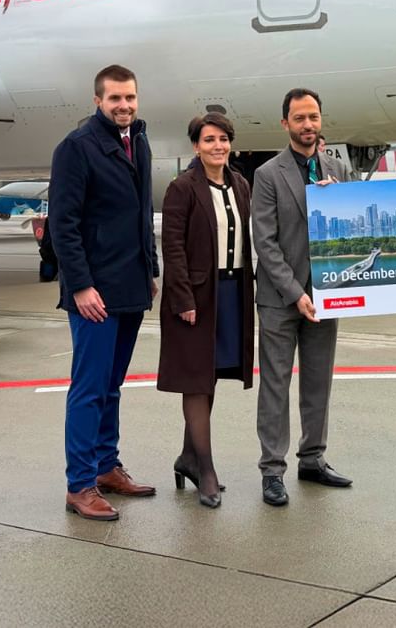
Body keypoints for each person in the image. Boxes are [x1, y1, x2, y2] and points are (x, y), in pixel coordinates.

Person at [49, 65, 159, 521]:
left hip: (131, 284)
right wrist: (80, 285)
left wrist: (151, 269)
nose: (124, 105)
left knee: (112, 385)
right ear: (98, 101)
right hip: (93, 293)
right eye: (115, 98)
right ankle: (80, 485)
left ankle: (106, 466)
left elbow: (142, 212)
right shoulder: (77, 148)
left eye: (129, 97)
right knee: (90, 388)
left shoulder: (139, 141)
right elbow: (63, 225)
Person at [251, 88, 354, 506]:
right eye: (299, 118)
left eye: (313, 117)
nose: (308, 125)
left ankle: (312, 459)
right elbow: (265, 242)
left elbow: (356, 225)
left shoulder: (338, 169)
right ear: (286, 124)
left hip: (327, 294)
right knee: (275, 385)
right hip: (281, 298)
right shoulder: (268, 174)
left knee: (318, 381)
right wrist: (296, 293)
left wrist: (339, 201)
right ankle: (272, 470)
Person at [157, 113, 255, 508]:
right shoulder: (182, 188)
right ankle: (207, 470)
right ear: (196, 146)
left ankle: (188, 458)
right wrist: (183, 299)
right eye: (209, 139)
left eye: (223, 139)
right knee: (196, 381)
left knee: (209, 377)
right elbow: (173, 247)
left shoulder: (240, 185)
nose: (218, 146)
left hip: (231, 292)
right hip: (196, 297)